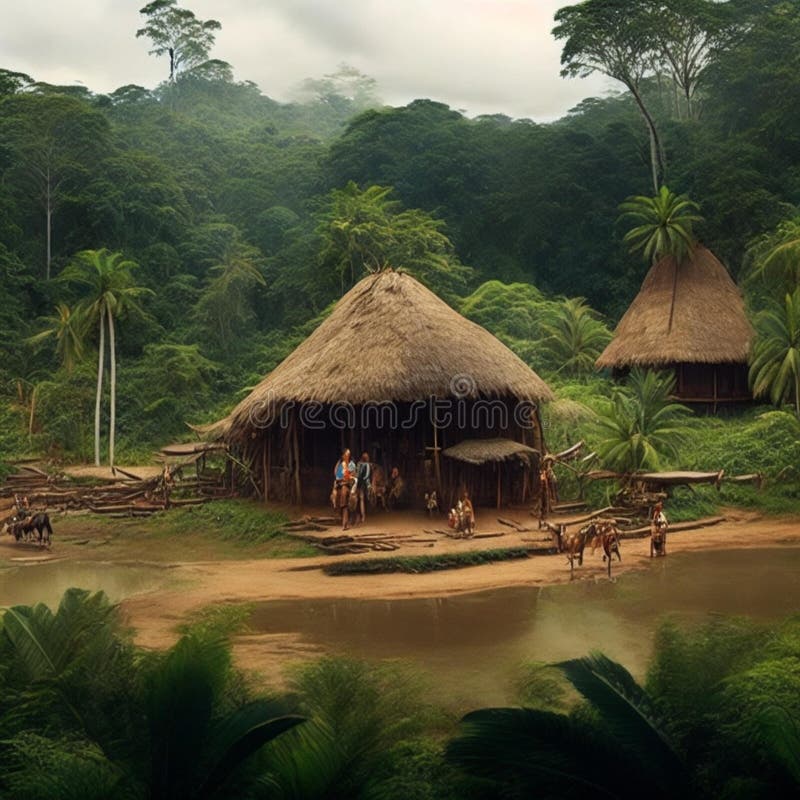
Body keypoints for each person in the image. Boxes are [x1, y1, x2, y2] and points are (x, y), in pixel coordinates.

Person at [333, 449, 356, 530]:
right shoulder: (341, 465)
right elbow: (338, 477)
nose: (347, 456)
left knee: (345, 496)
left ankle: (345, 523)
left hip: (348, 486)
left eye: (348, 454)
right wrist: (342, 479)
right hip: (341, 485)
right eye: (346, 454)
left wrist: (348, 479)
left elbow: (353, 476)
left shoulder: (352, 464)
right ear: (343, 456)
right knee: (336, 495)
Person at [354, 451, 372, 524]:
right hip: (358, 483)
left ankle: (362, 516)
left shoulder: (366, 465)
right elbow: (358, 473)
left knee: (361, 499)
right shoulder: (360, 464)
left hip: (361, 483)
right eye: (365, 456)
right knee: (358, 500)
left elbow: (366, 476)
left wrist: (368, 485)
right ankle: (359, 516)